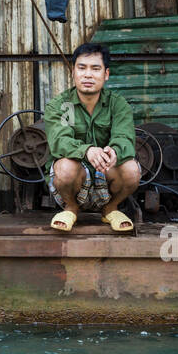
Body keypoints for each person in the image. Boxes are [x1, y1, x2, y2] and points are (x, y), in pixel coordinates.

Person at [42, 42, 141, 232]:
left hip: (106, 171)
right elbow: (59, 141)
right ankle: (71, 208)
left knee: (131, 169)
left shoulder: (117, 104)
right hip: (75, 175)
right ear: (73, 72)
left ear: (106, 74)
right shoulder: (62, 105)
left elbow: (125, 137)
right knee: (64, 167)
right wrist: (86, 151)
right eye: (82, 68)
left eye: (95, 69)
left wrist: (114, 151)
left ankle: (110, 209)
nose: (88, 74)